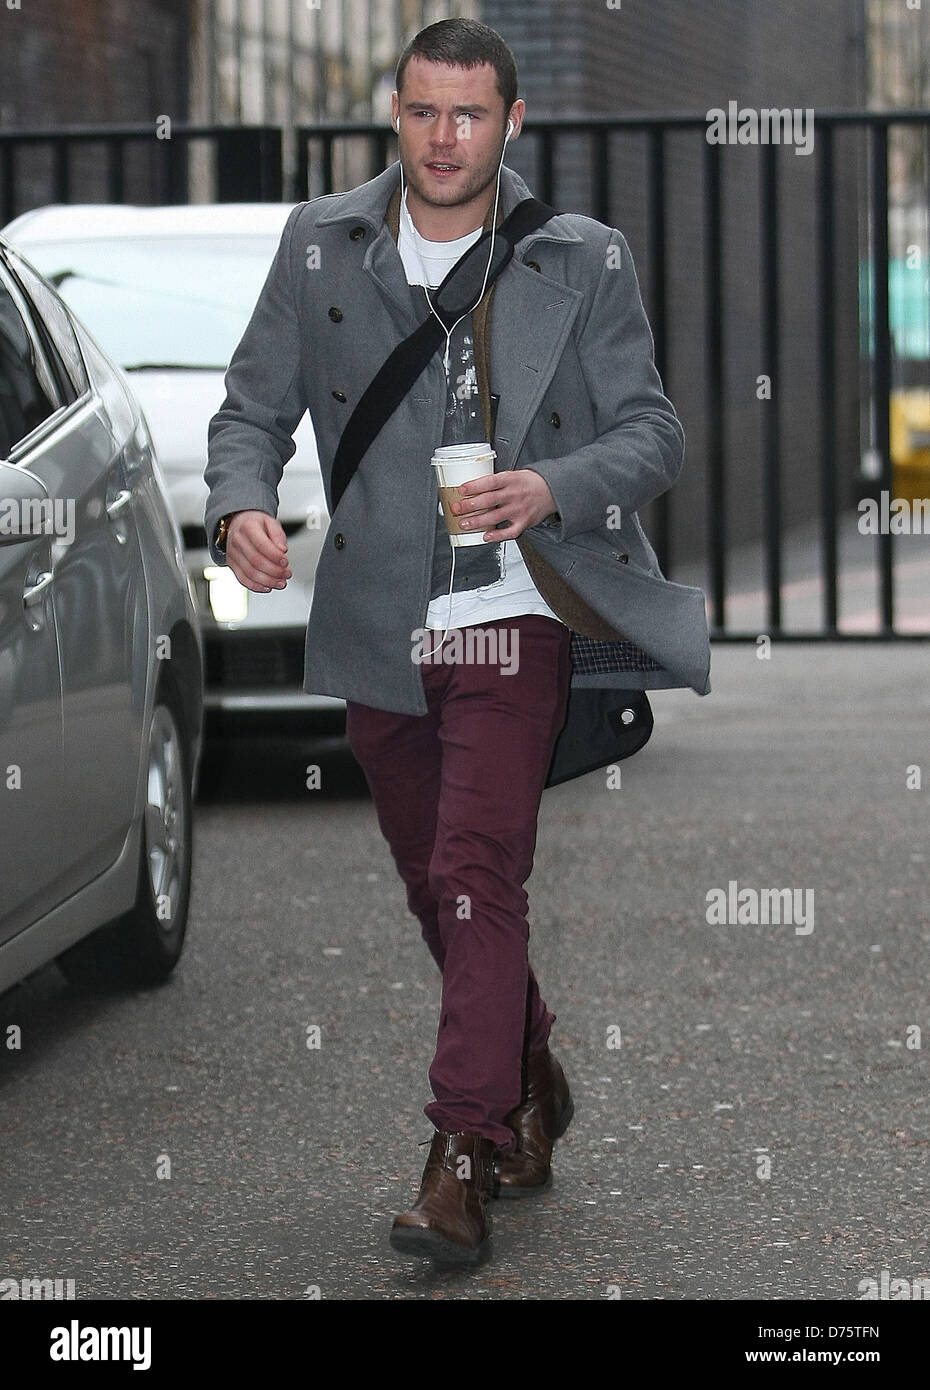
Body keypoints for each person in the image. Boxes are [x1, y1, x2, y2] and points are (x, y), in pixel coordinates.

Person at [204, 18, 710, 1269]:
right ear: (396, 111)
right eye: (423, 112)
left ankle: (459, 1158)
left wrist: (550, 486)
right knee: (438, 880)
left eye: (469, 115)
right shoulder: (321, 238)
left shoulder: (582, 260)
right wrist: (241, 509)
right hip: (379, 622)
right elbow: (250, 407)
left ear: (512, 122)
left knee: (479, 865)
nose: (444, 138)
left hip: (514, 618)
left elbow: (654, 434)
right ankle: (534, 1071)